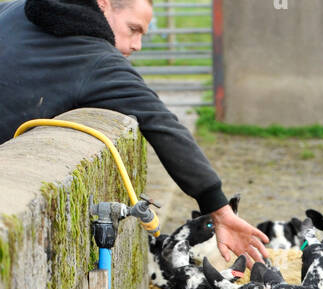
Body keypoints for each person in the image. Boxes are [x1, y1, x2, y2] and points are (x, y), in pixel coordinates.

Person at [0, 0, 268, 264]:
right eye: (133, 29)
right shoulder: (97, 59)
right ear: (103, 5)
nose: (137, 45)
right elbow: (162, 124)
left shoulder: (17, 8)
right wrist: (217, 207)